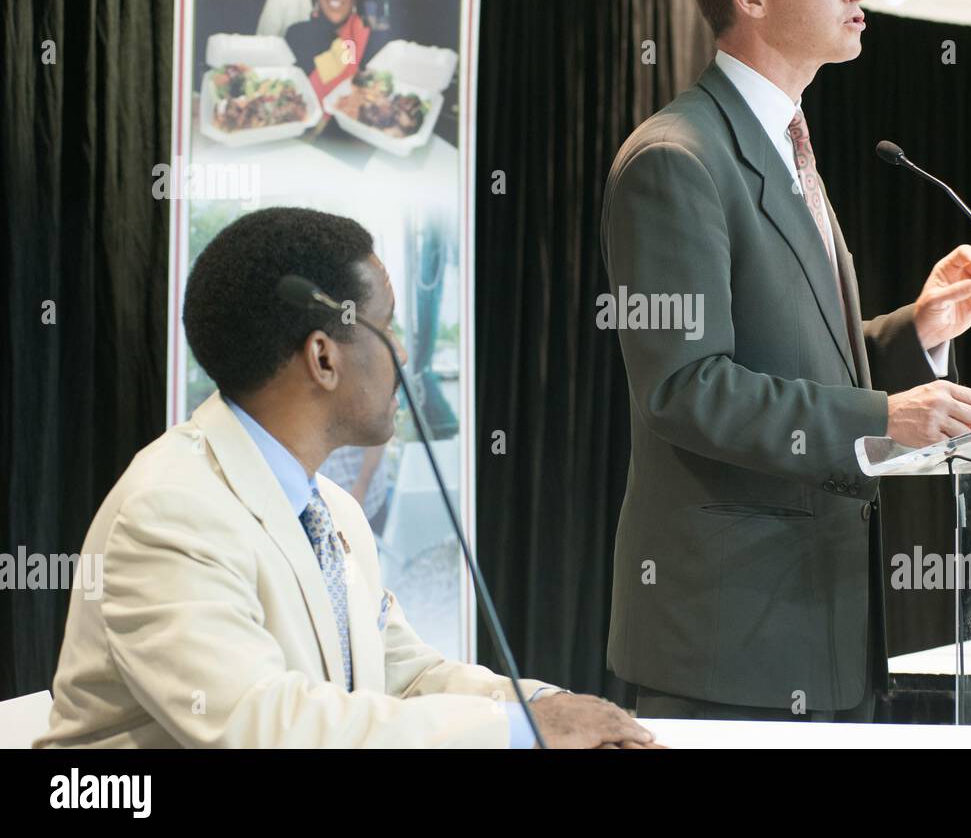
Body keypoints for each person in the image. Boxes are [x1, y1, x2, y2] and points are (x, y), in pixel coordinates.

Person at [601, 0, 971, 722]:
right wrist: (883, 416)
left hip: (824, 630)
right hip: (730, 641)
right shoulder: (676, 159)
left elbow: (791, 353)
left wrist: (912, 331)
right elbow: (686, 387)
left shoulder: (786, 144)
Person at [37, 207, 655, 749]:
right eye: (387, 328)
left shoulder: (329, 508)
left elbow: (403, 674)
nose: (404, 355)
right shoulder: (170, 510)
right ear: (324, 357)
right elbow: (264, 728)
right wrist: (522, 734)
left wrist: (548, 710)